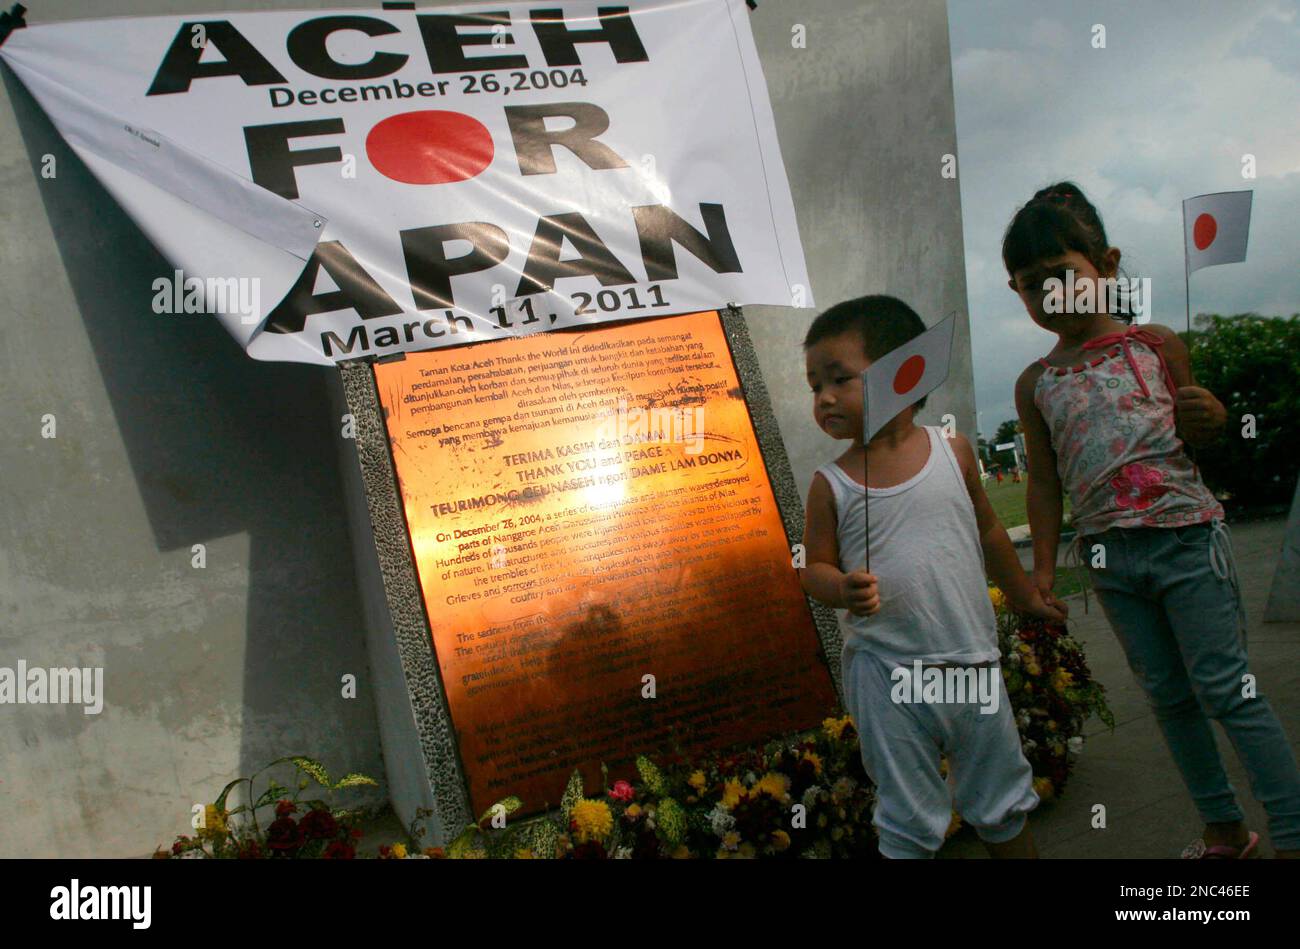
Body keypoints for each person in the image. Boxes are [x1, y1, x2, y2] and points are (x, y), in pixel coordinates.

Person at [1005, 181, 1300, 859]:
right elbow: (1045, 482)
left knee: (1229, 689)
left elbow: (1199, 436)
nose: (1048, 295)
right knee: (1167, 696)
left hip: (1187, 540)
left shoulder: (1156, 346)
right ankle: (1224, 826)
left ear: (1105, 266)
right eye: (1028, 286)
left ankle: (1291, 830)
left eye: (1061, 276)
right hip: (1110, 562)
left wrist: (1216, 419)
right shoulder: (1036, 383)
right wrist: (1044, 569)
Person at [799, 294, 1065, 859]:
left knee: (1001, 801)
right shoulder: (832, 483)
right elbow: (811, 567)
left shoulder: (955, 452)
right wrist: (839, 586)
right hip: (885, 674)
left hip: (970, 662)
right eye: (814, 385)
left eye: (839, 379)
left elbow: (990, 533)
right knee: (908, 819)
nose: (823, 398)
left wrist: (1023, 597)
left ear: (902, 373)